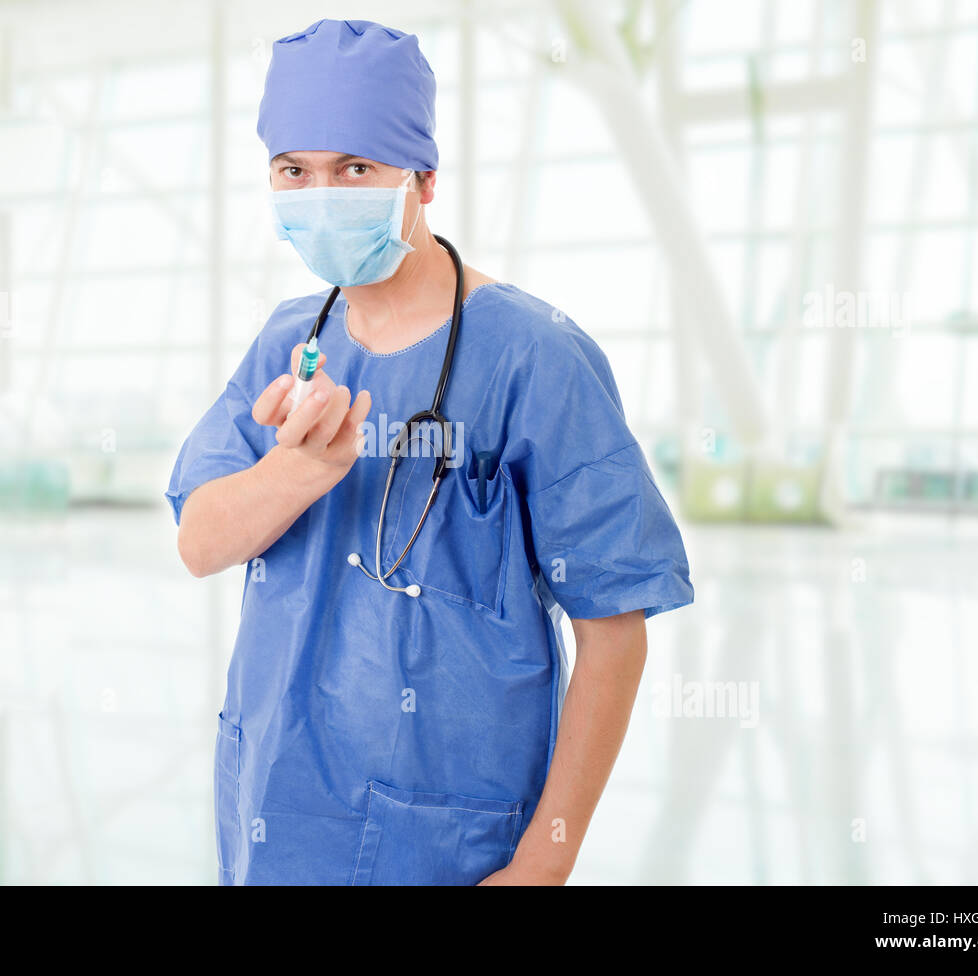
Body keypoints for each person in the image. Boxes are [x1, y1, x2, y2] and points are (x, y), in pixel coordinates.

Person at [167, 18, 694, 886]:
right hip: (276, 816)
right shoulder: (285, 346)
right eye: (294, 171)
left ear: (425, 180)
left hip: (454, 843)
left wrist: (542, 869)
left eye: (357, 170)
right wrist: (295, 472)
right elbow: (201, 541)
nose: (322, 194)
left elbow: (614, 634)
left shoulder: (534, 358)